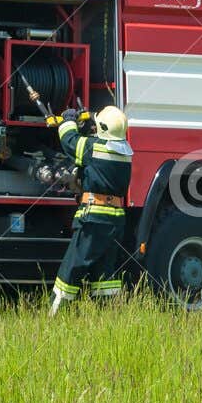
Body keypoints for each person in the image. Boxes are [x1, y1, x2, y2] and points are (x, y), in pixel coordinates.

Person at [48, 106, 132, 315]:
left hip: (94, 219)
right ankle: (108, 318)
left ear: (103, 129)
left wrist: (68, 120)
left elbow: (69, 142)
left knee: (71, 269)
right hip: (115, 221)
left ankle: (54, 316)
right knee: (105, 273)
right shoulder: (125, 152)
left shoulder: (93, 148)